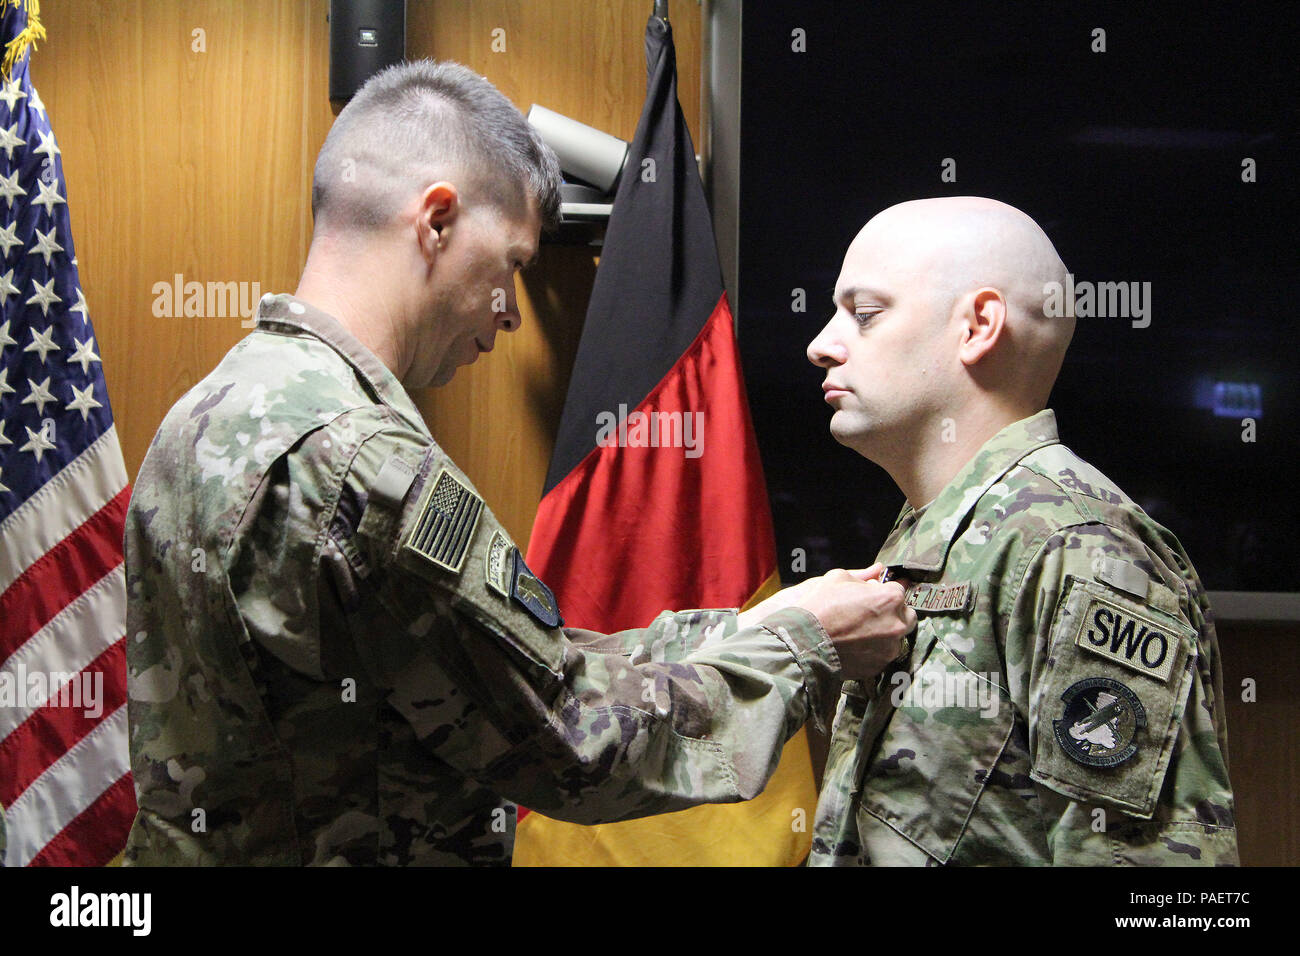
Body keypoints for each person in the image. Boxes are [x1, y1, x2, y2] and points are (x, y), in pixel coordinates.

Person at [122, 60, 915, 866]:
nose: (507, 312)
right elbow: (569, 736)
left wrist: (746, 627)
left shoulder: (210, 411)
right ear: (436, 221)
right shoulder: (366, 466)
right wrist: (800, 647)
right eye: (512, 263)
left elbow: (498, 662)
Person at [804, 197, 1238, 865]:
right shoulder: (939, 531)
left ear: (979, 325)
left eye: (865, 315)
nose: (821, 345)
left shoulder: (1080, 549)